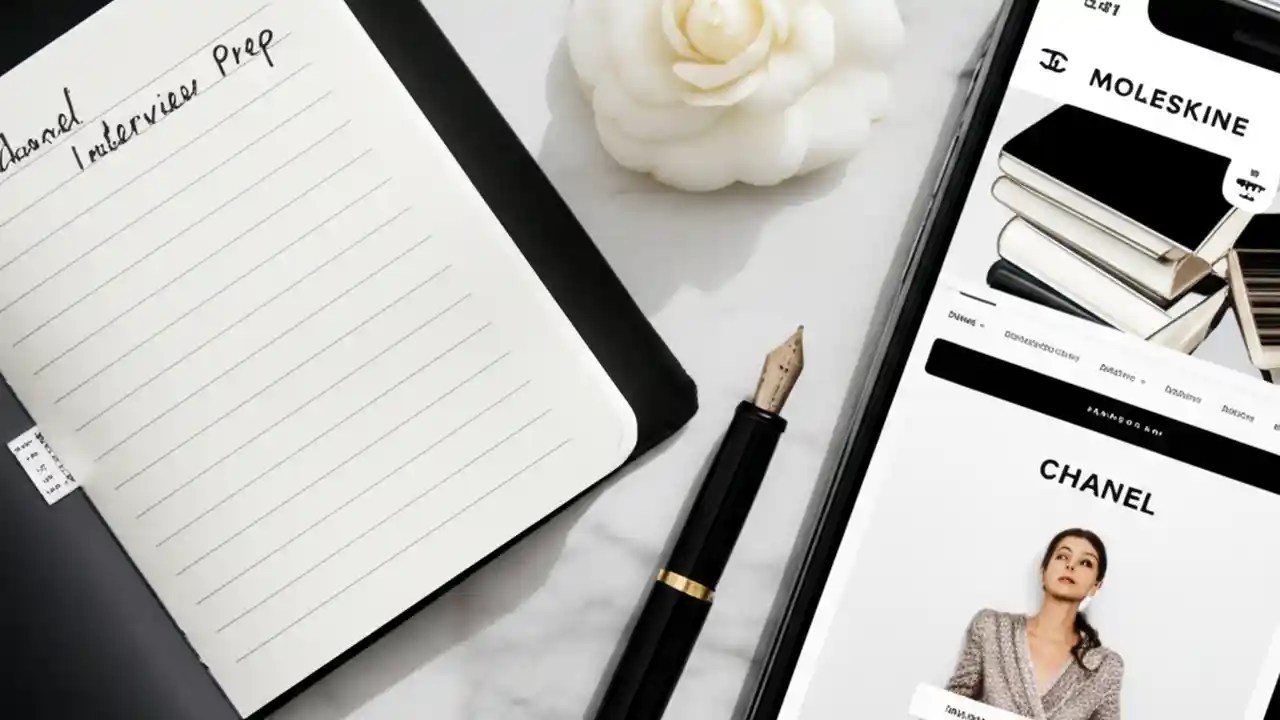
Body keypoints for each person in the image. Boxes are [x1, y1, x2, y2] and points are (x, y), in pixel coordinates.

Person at [946, 528, 1123, 720]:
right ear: (1043, 571)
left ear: (1096, 586)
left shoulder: (1104, 666)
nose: (1071, 566)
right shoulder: (992, 629)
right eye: (1063, 556)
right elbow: (947, 708)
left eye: (1086, 563)